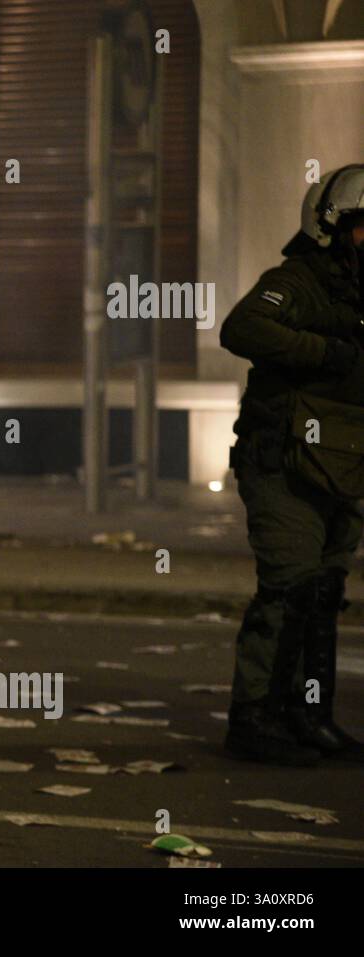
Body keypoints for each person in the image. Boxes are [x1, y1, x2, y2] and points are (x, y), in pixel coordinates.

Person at [220, 163, 364, 766]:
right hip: (283, 464)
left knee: (324, 591)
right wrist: (325, 351)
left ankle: (309, 714)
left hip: (343, 466)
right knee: (290, 586)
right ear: (333, 226)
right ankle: (256, 719)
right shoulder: (298, 281)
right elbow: (242, 326)